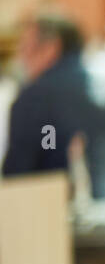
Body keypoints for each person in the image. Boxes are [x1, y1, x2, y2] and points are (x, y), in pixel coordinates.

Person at [2, 12, 93, 177]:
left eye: (25, 47)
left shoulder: (36, 97)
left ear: (51, 47)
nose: (20, 58)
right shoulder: (99, 83)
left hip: (53, 195)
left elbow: (20, 170)